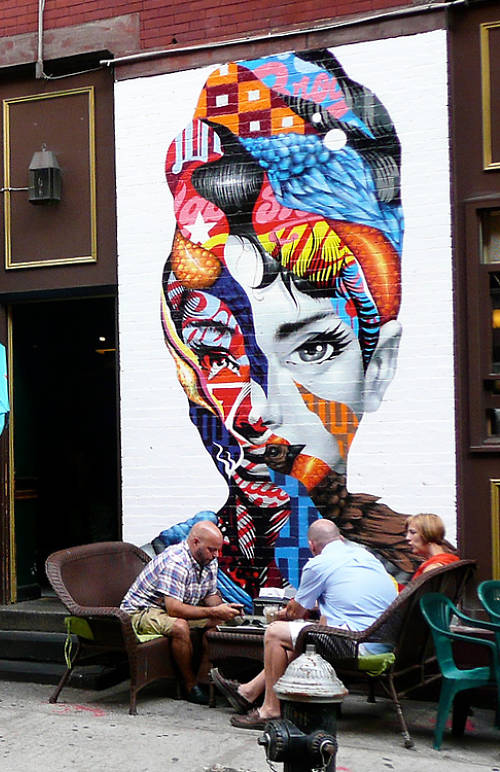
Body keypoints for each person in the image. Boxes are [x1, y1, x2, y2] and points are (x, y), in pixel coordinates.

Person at [155, 51, 419, 602]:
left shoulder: (391, 563)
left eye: (315, 347)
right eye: (218, 349)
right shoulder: (180, 556)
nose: (256, 408)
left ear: (379, 364)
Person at [210, 520, 397, 728]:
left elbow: (295, 612)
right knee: (301, 640)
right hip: (382, 642)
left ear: (312, 545)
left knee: (275, 633)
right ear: (341, 539)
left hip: (356, 645)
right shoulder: (366, 557)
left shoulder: (319, 564)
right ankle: (247, 692)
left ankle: (270, 711)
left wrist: (281, 614)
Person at [119, 520, 243, 704]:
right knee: (180, 627)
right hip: (141, 611)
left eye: (218, 550)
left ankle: (204, 678)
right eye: (212, 549)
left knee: (218, 624)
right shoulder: (176, 561)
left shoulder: (208, 559)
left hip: (167, 608)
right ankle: (189, 684)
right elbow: (174, 609)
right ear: (195, 542)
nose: (216, 555)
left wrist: (225, 610)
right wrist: (214, 610)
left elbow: (210, 596)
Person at [405, 513, 459, 581]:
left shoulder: (433, 569)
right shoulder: (452, 561)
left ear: (428, 533)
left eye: (413, 532)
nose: (407, 538)